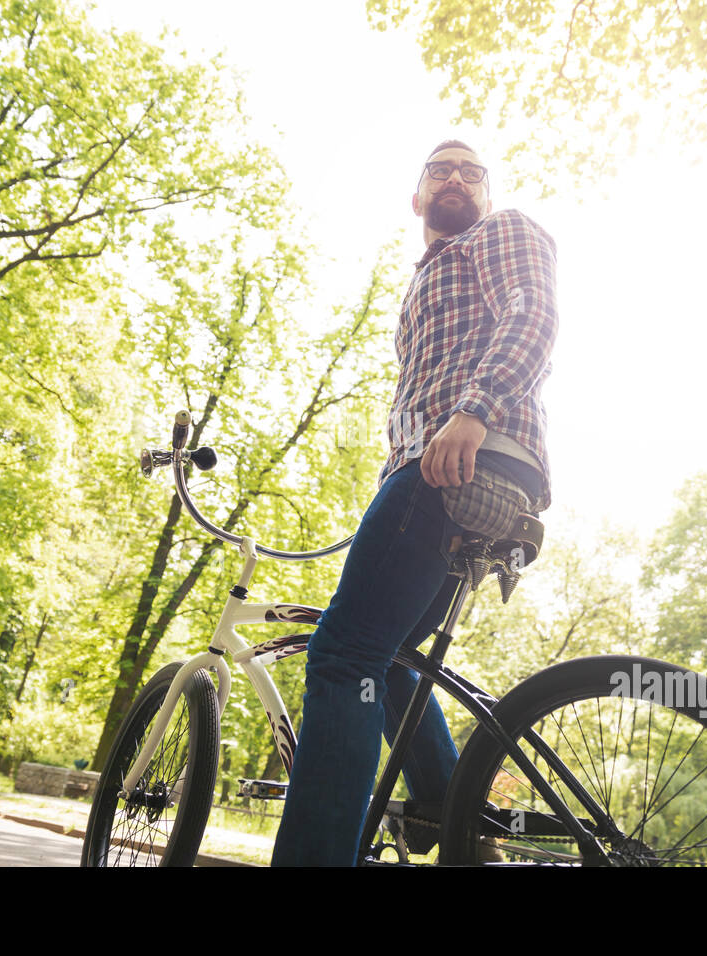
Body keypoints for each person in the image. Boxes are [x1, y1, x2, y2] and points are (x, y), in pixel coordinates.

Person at [270, 140, 558, 866]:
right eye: (440, 169)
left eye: (470, 171)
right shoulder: (423, 284)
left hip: (471, 456)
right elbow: (411, 405)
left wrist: (474, 411)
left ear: (487, 195)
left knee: (342, 654)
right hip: (431, 470)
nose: (456, 177)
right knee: (391, 655)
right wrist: (387, 494)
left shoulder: (503, 231)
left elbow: (533, 319)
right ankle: (452, 817)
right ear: (417, 196)